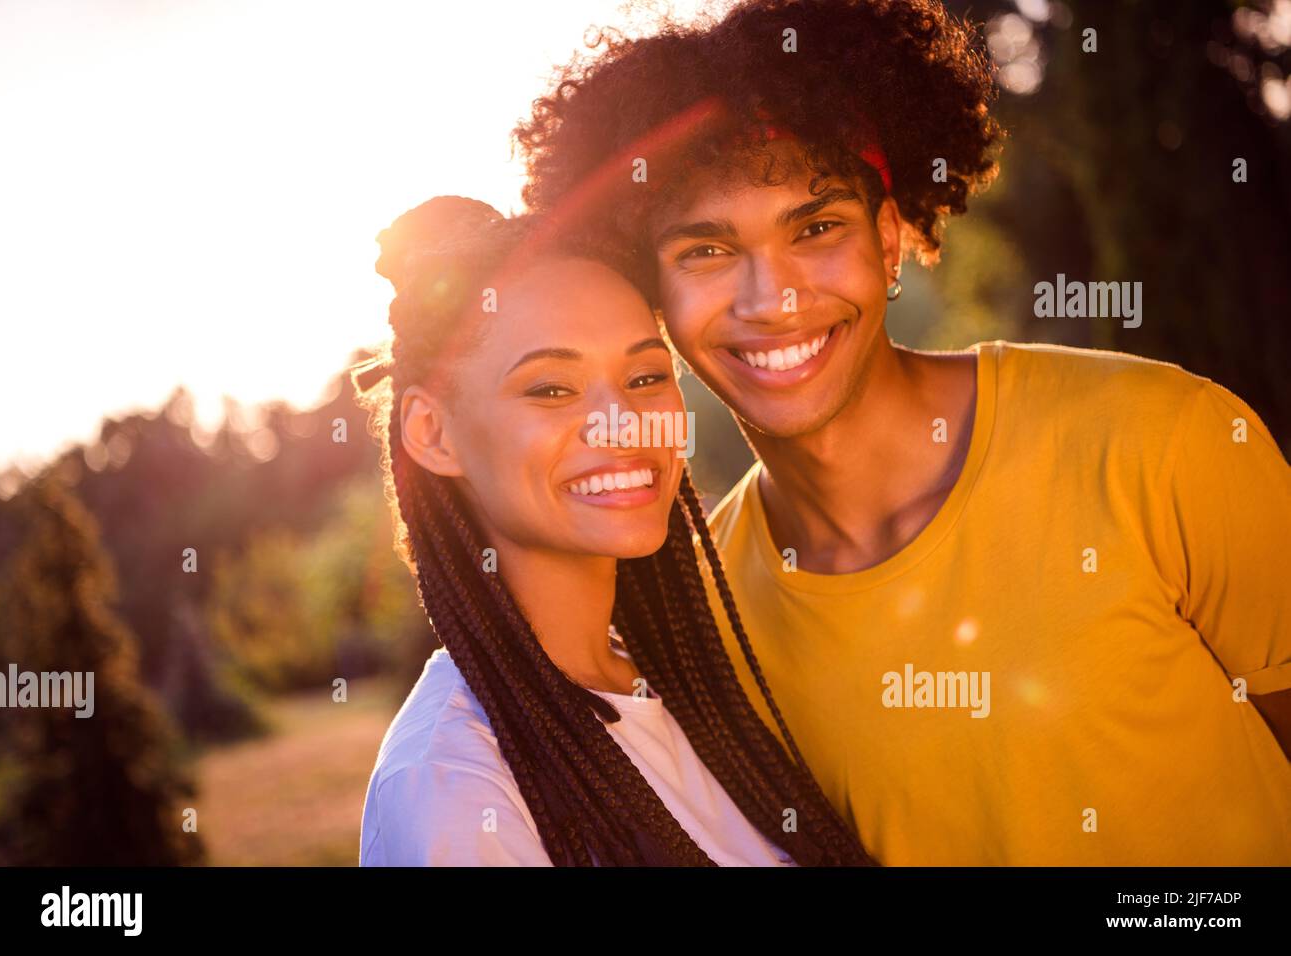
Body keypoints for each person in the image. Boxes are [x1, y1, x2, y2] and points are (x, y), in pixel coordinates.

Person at [513, 0, 1291, 864]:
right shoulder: (708, 625)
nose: (772, 299)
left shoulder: (1162, 439)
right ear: (654, 298)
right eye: (705, 250)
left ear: (888, 242)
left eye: (816, 228)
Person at [354, 195, 873, 866]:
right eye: (551, 389)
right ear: (432, 432)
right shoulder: (451, 790)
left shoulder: (695, 676)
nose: (623, 422)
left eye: (646, 376)